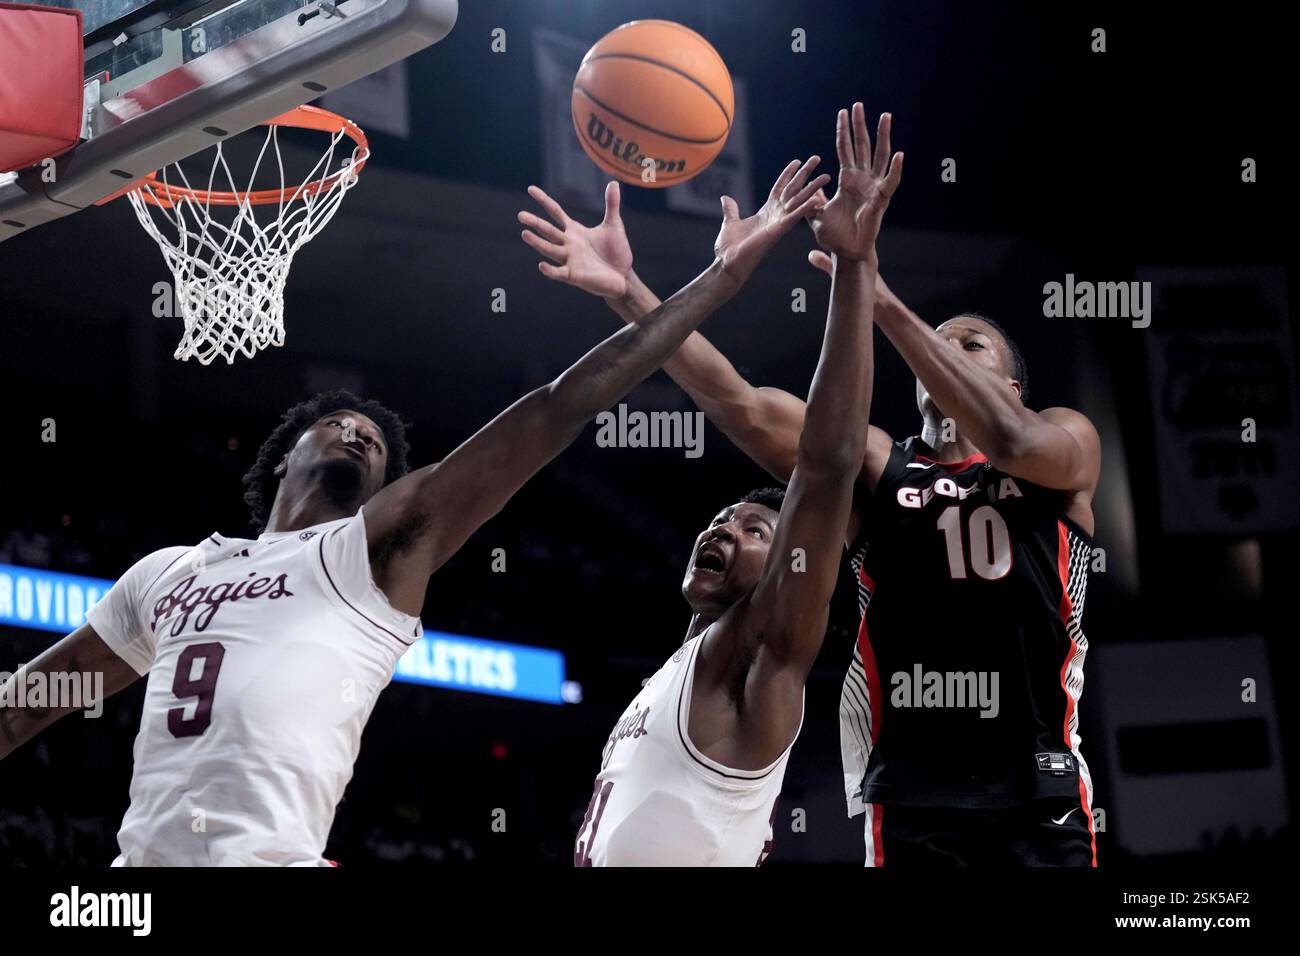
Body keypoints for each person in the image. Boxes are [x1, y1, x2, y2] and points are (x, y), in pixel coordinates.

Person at [0, 154, 828, 866]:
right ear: (284, 455)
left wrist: (717, 280)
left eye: (379, 445)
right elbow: (31, 700)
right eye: (341, 424)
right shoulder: (164, 575)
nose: (362, 435)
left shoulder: (372, 554)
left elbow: (557, 406)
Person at [523, 103, 1101, 866]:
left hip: (1041, 788)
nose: (945, 348)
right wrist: (627, 291)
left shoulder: (1063, 442)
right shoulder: (878, 467)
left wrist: (871, 280)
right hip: (913, 794)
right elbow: (738, 402)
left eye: (971, 344)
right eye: (940, 338)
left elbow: (1009, 438)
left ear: (1015, 385)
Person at [537, 105, 902, 865]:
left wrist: (856, 271)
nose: (725, 530)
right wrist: (626, 289)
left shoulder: (766, 644)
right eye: (723, 521)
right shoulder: (671, 675)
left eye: (756, 530)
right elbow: (733, 400)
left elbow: (827, 463)